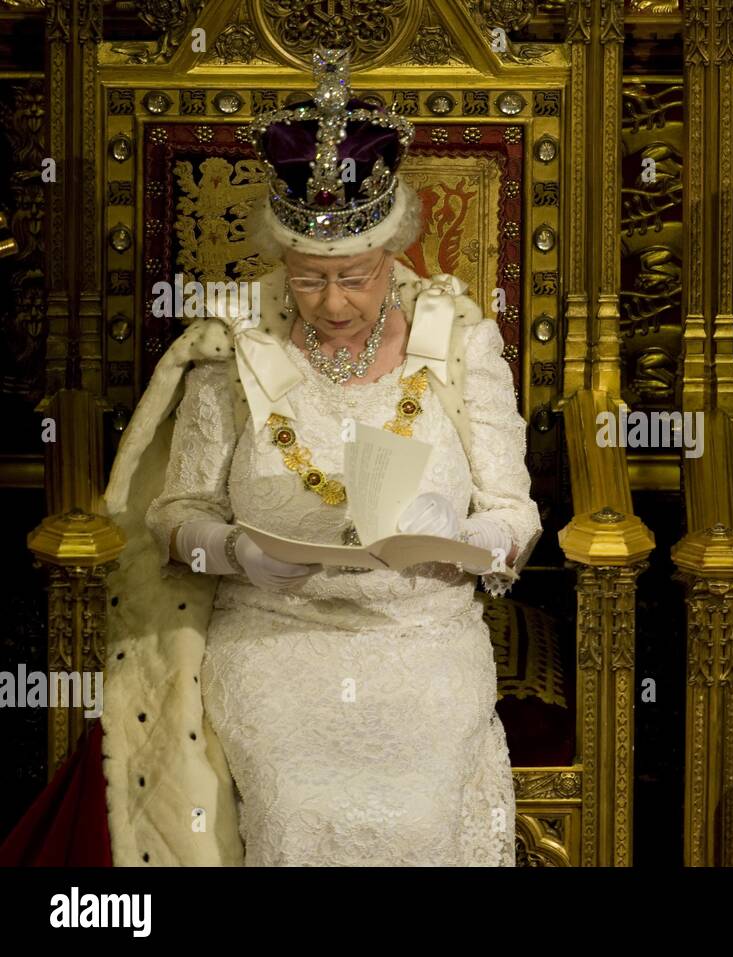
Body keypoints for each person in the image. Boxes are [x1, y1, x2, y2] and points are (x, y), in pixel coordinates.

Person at [94, 48, 541, 866]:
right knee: (297, 808)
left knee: (414, 818)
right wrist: (236, 551)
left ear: (395, 250)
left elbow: (515, 511)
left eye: (357, 277)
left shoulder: (461, 342)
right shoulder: (236, 351)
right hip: (274, 640)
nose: (334, 303)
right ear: (282, 264)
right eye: (308, 280)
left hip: (421, 639)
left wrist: (474, 545)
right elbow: (175, 515)